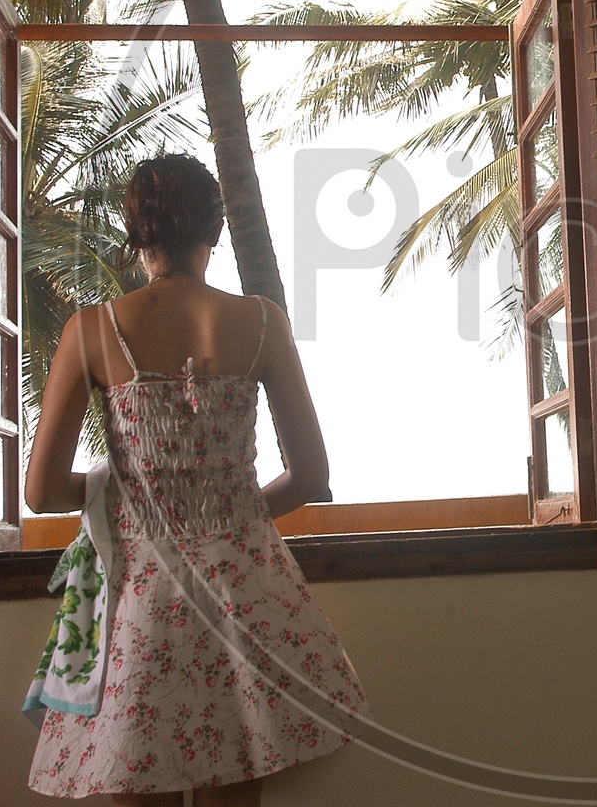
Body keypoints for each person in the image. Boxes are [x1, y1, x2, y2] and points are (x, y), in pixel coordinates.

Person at [23, 154, 369, 805]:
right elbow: (310, 475)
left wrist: (119, 489)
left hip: (141, 601)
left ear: (136, 231)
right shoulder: (262, 321)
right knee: (232, 783)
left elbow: (40, 493)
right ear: (214, 229)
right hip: (243, 588)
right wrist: (234, 507)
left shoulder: (92, 330)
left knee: (139, 779)